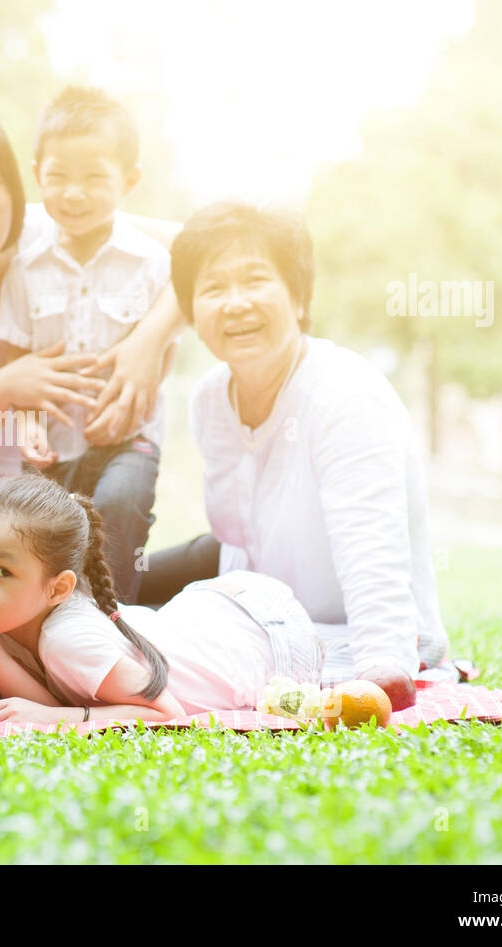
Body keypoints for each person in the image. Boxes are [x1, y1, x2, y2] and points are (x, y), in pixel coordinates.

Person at [140, 201, 450, 710]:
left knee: (132, 652)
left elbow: (373, 561)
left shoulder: (346, 397)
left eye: (256, 280)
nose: (235, 303)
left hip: (331, 628)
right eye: (213, 288)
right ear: (192, 312)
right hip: (246, 598)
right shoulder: (211, 398)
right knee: (98, 606)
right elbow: (238, 536)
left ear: (299, 297)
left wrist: (382, 673)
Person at [0, 102, 185, 488]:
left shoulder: (60, 229)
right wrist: (0, 389)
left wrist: (147, 344)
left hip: (56, 491)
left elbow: (206, 252)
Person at [0, 473, 324, 725]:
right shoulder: (14, 617)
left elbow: (167, 715)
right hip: (219, 609)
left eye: (2, 571)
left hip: (272, 637)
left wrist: (57, 720)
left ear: (58, 588)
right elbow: (58, 700)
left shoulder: (66, 637)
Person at [0, 86, 172, 603]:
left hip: (126, 440)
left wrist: (140, 391)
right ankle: (46, 630)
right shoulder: (26, 267)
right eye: (59, 176)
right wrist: (23, 424)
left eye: (95, 177)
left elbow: (162, 351)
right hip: (49, 447)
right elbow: (13, 359)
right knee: (42, 537)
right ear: (38, 172)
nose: (74, 192)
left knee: (120, 502)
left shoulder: (150, 263)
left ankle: (114, 622)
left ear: (129, 181)